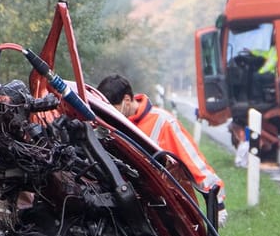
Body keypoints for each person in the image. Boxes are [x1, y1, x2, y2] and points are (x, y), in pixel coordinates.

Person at [97, 74, 227, 227]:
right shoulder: (110, 126)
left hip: (169, 211)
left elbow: (193, 162)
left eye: (113, 109)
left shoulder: (163, 122)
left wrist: (217, 202)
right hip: (129, 209)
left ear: (126, 100)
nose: (109, 115)